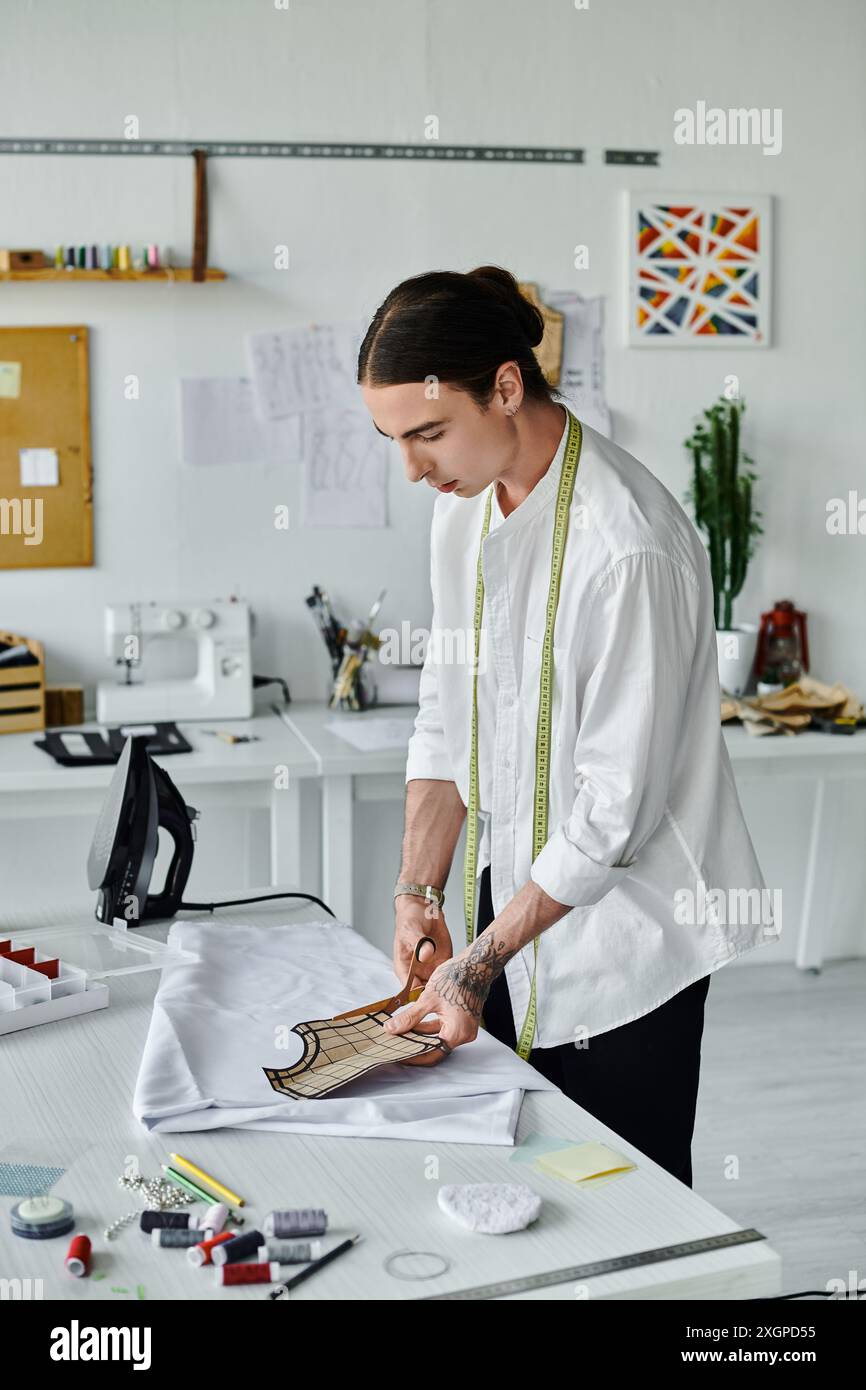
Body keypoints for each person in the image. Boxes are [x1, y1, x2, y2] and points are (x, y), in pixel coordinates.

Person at [357, 265, 776, 1187]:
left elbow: (614, 813)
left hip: (629, 946)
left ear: (506, 386)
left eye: (427, 434)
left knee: (629, 1206)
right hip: (503, 914)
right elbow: (443, 717)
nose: (414, 468)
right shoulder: (460, 516)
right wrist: (417, 893)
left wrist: (475, 961)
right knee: (511, 1185)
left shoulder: (628, 546)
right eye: (395, 440)